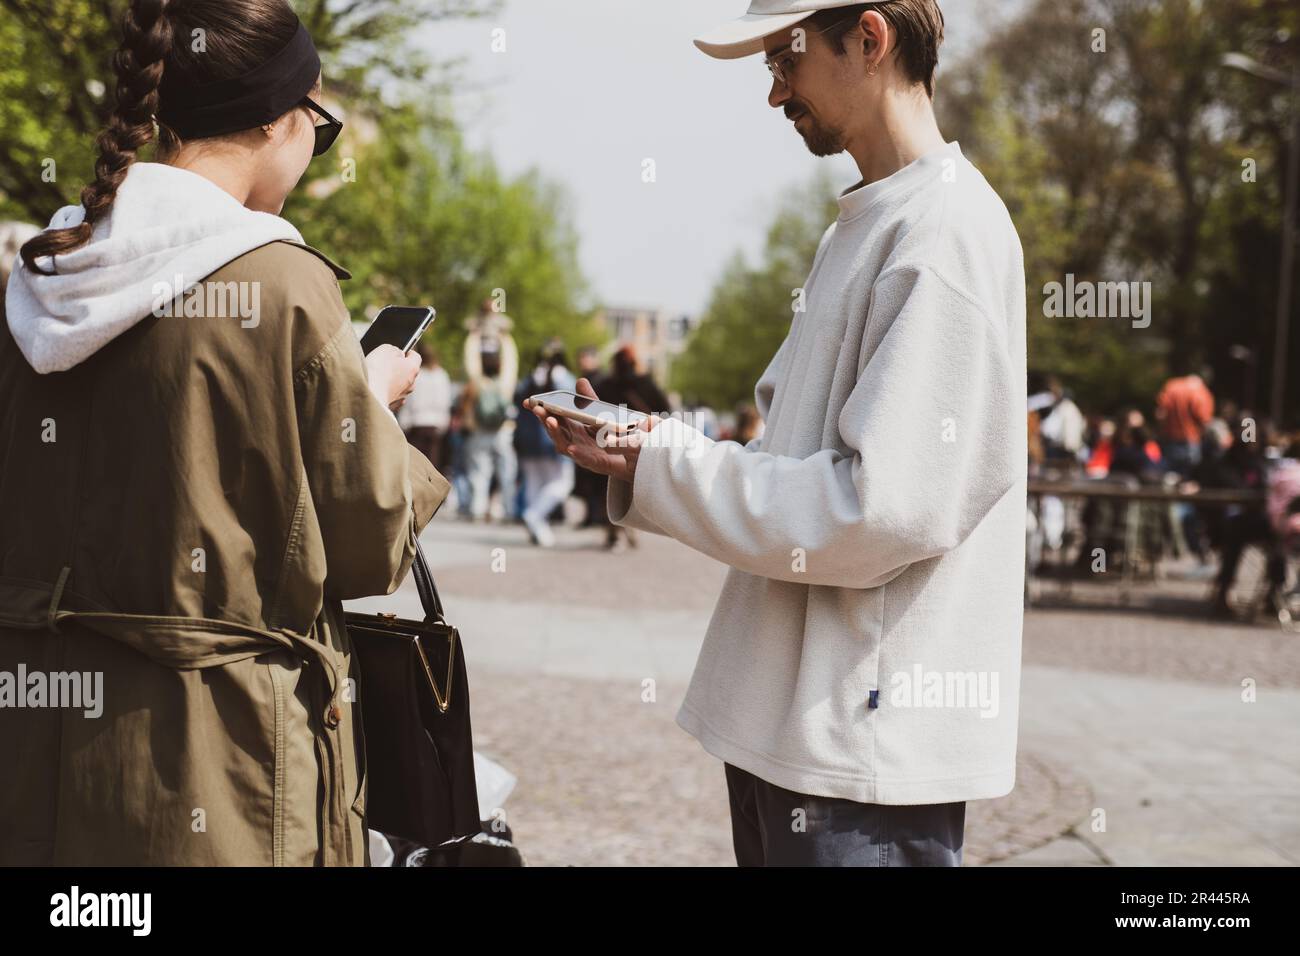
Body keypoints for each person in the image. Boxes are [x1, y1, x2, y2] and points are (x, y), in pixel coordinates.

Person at [533, 0, 1026, 866]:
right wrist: (649, 453)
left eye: (785, 61)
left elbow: (879, 513)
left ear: (868, 39)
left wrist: (664, 457)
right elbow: (796, 468)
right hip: (806, 737)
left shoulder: (943, 232)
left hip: (857, 759)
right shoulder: (878, 219)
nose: (773, 94)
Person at [0, 0, 449, 865]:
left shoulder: (45, 272)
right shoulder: (281, 283)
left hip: (33, 750)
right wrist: (369, 397)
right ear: (280, 117)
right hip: (210, 761)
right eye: (319, 128)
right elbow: (367, 541)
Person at [594, 345, 669, 552]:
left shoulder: (606, 384)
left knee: (608, 487)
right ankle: (630, 527)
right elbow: (664, 410)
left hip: (608, 440)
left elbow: (595, 410)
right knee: (633, 485)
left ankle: (613, 531)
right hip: (639, 442)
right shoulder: (646, 383)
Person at [514, 343, 577, 546]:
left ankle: (537, 527)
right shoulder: (564, 378)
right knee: (563, 483)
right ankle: (534, 516)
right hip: (552, 439)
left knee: (534, 484)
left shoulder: (530, 377)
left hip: (527, 441)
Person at [461, 304, 519, 522]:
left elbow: (470, 363)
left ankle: (477, 508)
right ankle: (508, 509)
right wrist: (505, 339)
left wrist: (474, 337)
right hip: (503, 429)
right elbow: (512, 362)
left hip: (479, 429)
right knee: (507, 472)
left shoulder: (478, 383)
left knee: (479, 471)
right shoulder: (505, 384)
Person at [398, 342, 452, 471]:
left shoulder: (417, 374)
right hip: (435, 425)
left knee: (414, 468)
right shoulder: (441, 375)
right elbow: (445, 402)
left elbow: (409, 401)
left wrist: (403, 424)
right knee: (431, 467)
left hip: (416, 424)